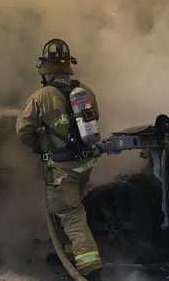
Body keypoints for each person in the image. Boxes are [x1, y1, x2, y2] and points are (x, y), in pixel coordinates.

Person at [16, 39, 104, 280]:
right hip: (84, 164)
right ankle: (69, 256)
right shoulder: (85, 92)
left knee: (71, 214)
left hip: (61, 168)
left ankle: (89, 269)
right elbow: (94, 123)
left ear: (45, 71)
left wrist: (38, 148)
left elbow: (23, 131)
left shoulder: (41, 96)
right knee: (69, 209)